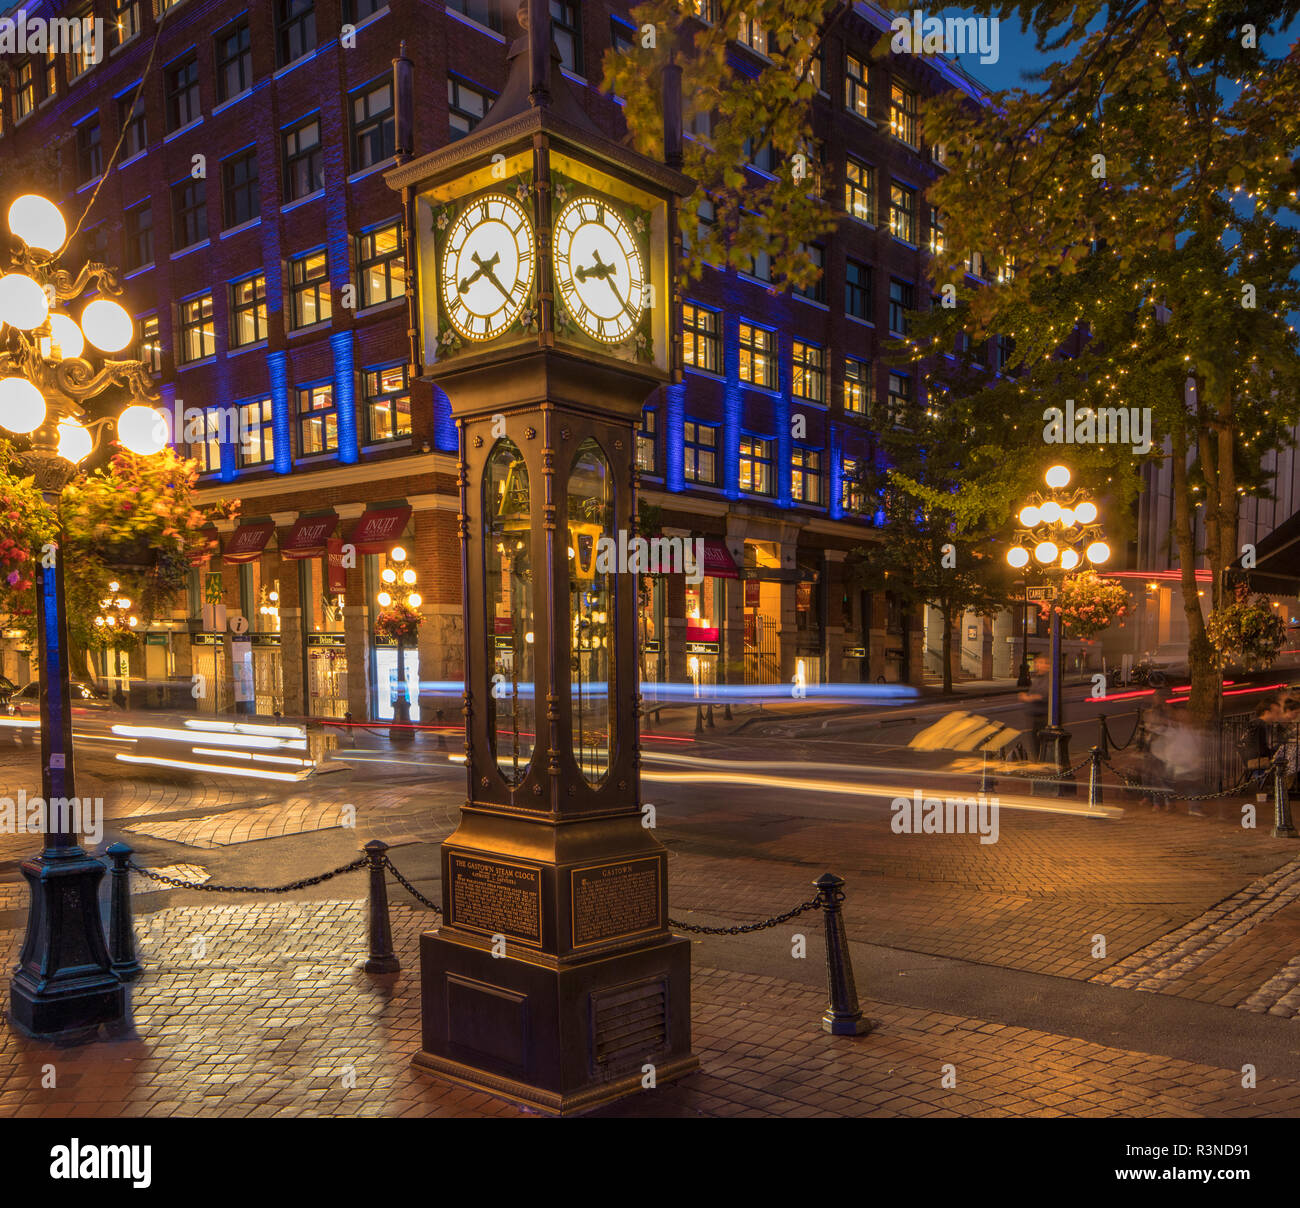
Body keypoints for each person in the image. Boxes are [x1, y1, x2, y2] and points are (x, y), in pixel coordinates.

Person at [1019, 654, 1050, 760]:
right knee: (1035, 742)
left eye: (1041, 663)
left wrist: (1028, 698)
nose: (1038, 665)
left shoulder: (1048, 678)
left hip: (1044, 716)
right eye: (1037, 662)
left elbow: (1044, 695)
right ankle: (1039, 760)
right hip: (1035, 716)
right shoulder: (1038, 677)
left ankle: (1042, 763)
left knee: (1042, 742)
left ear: (1047, 665)